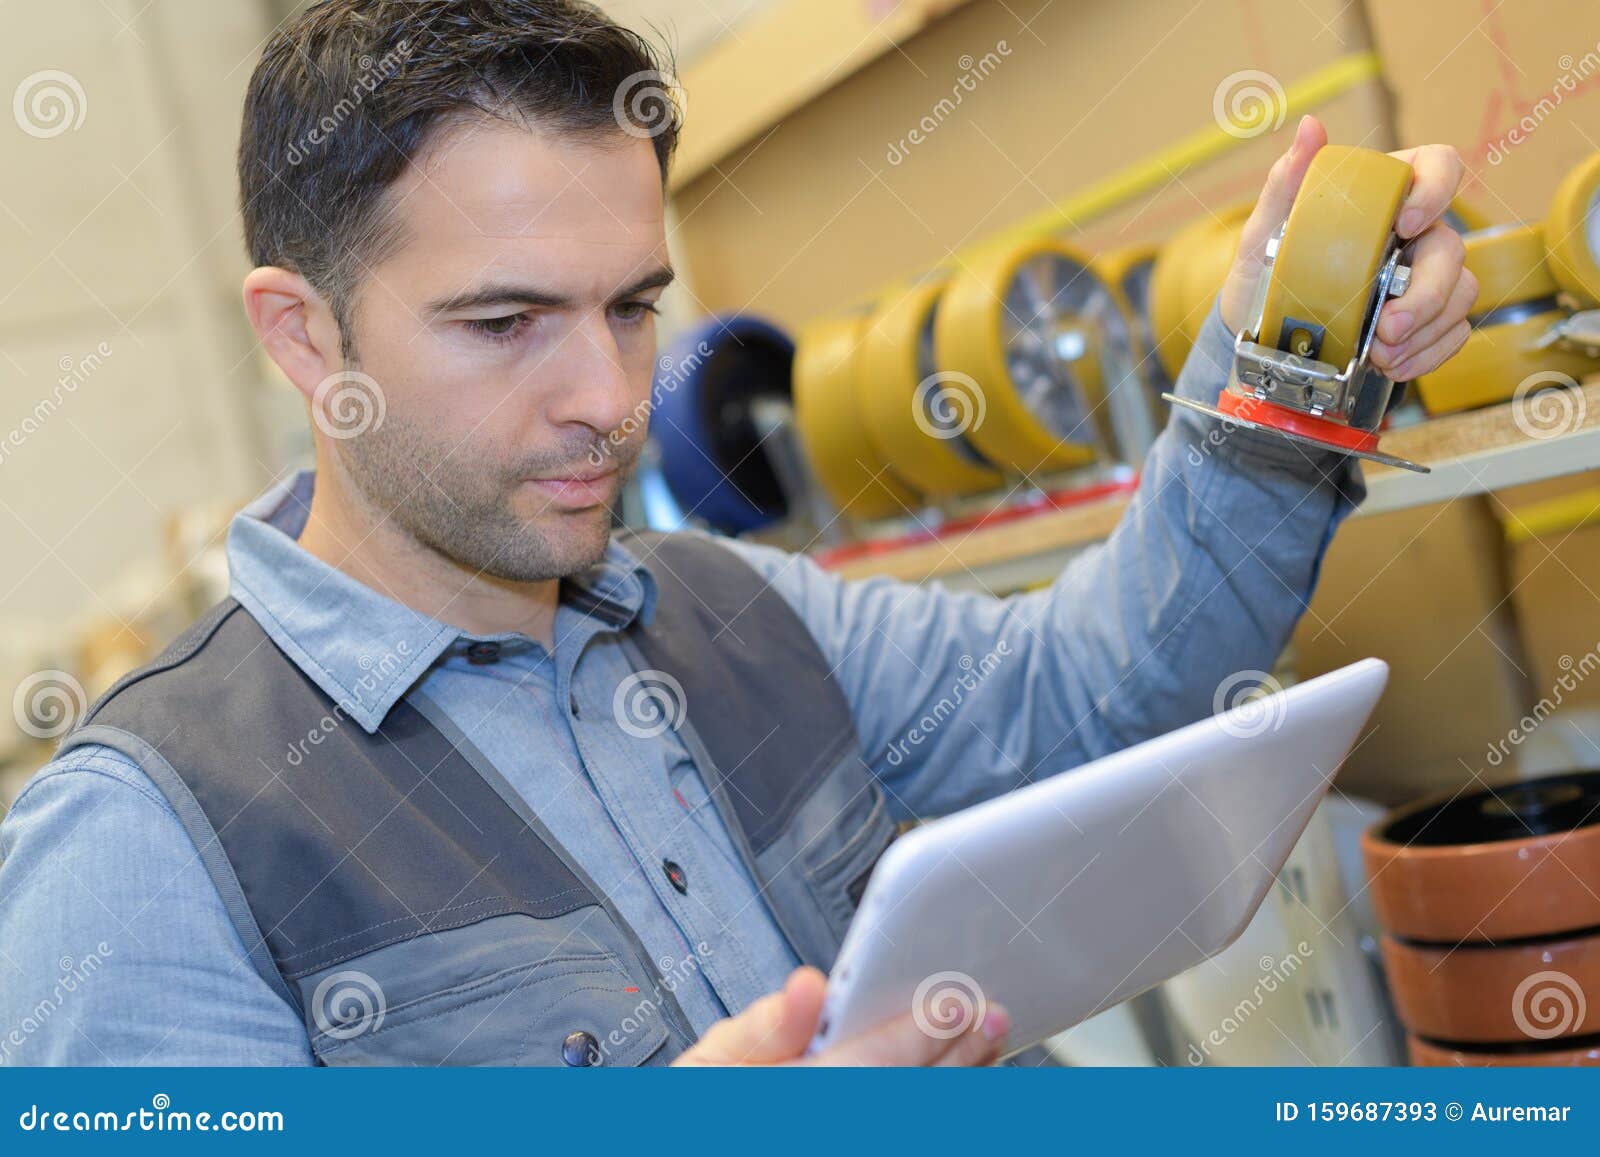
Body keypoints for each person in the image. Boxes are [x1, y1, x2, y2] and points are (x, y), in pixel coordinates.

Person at [0, 0, 1473, 1067]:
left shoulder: (742, 615)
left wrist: (1287, 374)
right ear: (307, 338)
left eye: (632, 307)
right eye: (504, 321)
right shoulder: (144, 843)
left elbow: (1094, 697)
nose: (606, 398)